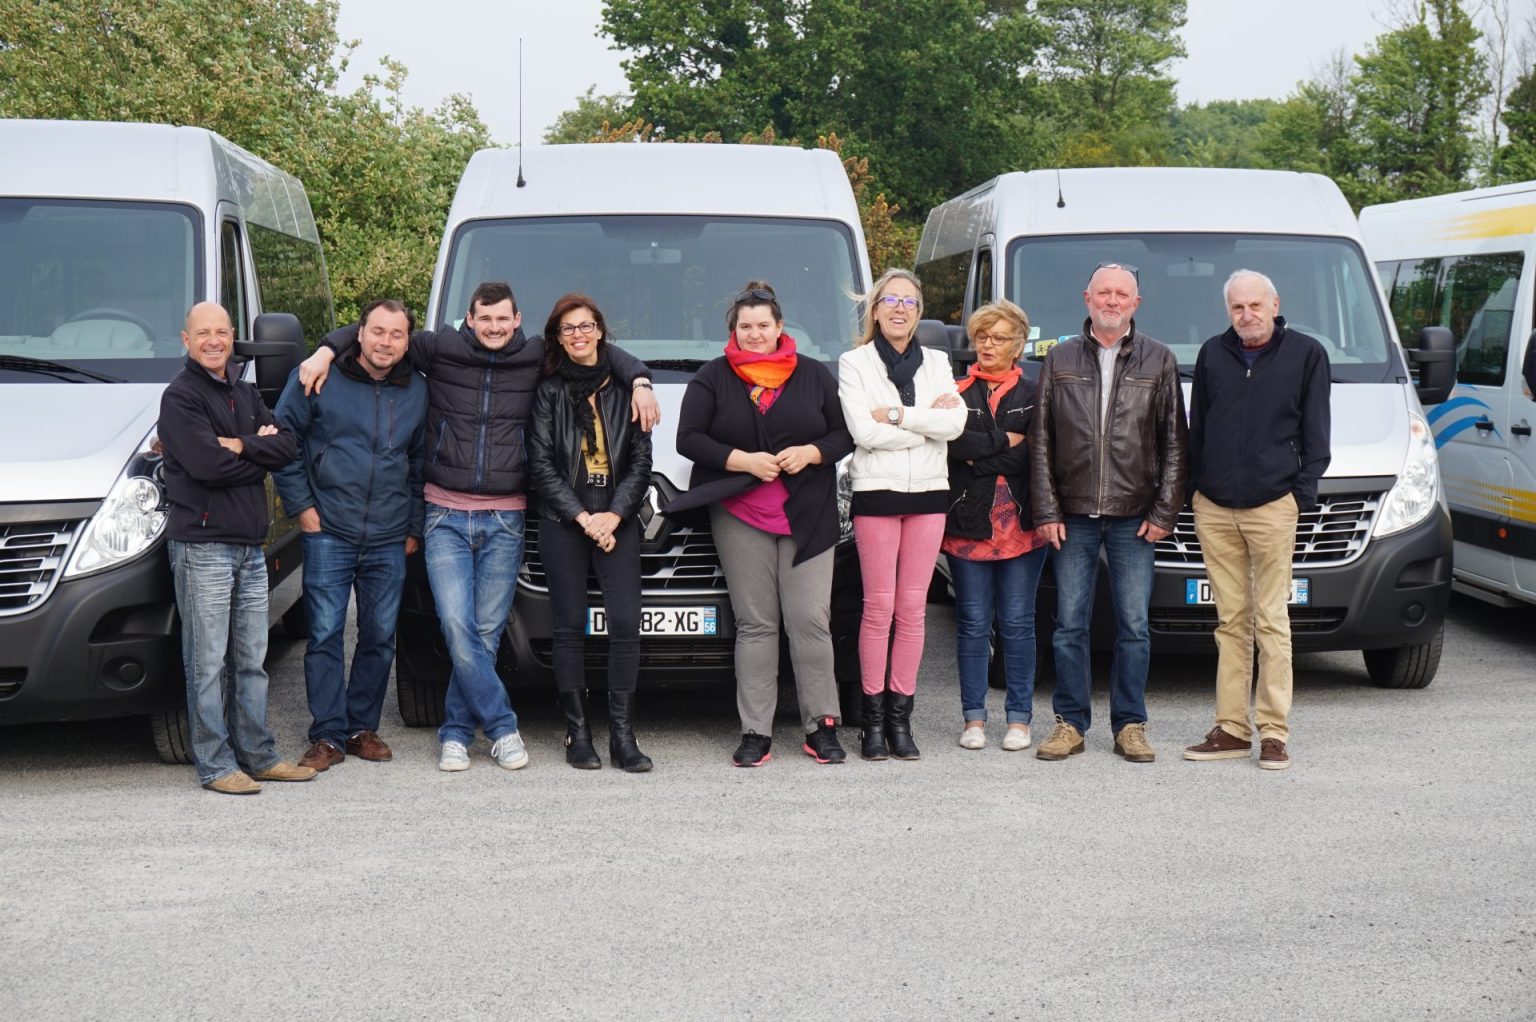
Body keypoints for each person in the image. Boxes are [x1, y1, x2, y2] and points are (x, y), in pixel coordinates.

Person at [297, 282, 659, 773]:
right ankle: (503, 724)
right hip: (445, 512)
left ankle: (455, 732)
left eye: (502, 319)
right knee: (455, 624)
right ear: (469, 319)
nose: (493, 327)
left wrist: (639, 378)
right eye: (483, 319)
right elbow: (378, 333)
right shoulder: (440, 347)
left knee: (485, 631)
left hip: (505, 515)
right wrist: (324, 350)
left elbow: (593, 350)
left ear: (517, 320)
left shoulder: (535, 354)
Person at [670, 281, 855, 767]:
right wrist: (741, 461)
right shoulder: (712, 378)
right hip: (740, 514)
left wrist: (812, 451)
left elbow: (843, 435)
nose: (754, 334)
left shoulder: (814, 375)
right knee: (756, 625)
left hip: (806, 514)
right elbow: (688, 438)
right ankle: (756, 732)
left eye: (763, 326)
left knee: (810, 621)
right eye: (745, 327)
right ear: (733, 330)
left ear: (780, 328)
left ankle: (822, 726)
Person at [1030, 263, 1187, 764]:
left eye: (1122, 294)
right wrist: (1047, 508)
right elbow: (1040, 443)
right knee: (1069, 624)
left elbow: (1174, 444)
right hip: (1072, 513)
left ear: (1136, 304)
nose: (1112, 300)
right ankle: (1070, 724)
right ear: (1087, 299)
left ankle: (1131, 725)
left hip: (1134, 515)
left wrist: (1165, 510)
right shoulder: (1059, 359)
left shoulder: (1159, 359)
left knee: (1134, 626)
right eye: (1104, 292)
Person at [158, 302, 315, 794]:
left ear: (232, 338)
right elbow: (208, 467)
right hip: (203, 547)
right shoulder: (180, 398)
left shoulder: (245, 393)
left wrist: (241, 445)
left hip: (249, 547)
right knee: (207, 662)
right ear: (186, 339)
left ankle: (260, 754)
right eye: (202, 333)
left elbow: (288, 444)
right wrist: (254, 449)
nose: (213, 341)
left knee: (251, 659)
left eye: (221, 332)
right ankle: (215, 764)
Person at [1183, 270, 1331, 771]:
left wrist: (1298, 496)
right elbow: (1196, 427)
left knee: (1271, 620)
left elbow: (1317, 434)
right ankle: (1229, 729)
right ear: (1228, 311)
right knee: (1230, 622)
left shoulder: (1306, 354)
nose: (1246, 315)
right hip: (1215, 506)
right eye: (1237, 307)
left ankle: (1273, 733)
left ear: (1275, 304)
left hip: (1273, 505)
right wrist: (1193, 492)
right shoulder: (1211, 354)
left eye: (1255, 306)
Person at [273, 299, 428, 772]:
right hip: (329, 531)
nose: (385, 342)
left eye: (396, 335)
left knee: (380, 634)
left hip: (388, 536)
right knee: (324, 633)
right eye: (377, 331)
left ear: (408, 341)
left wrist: (413, 525)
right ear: (358, 333)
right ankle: (327, 735)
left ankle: (362, 728)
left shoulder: (419, 389)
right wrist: (302, 506)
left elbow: (421, 462)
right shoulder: (319, 377)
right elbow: (283, 440)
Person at [839, 269, 966, 761]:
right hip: (877, 493)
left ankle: (900, 720)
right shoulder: (854, 363)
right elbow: (861, 434)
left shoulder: (937, 361)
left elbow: (954, 424)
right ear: (874, 310)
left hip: (929, 495)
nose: (899, 308)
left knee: (913, 611)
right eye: (889, 300)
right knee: (879, 608)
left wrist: (894, 415)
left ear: (919, 311)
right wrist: (926, 425)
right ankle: (871, 722)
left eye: (909, 301)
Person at [528, 294, 655, 772]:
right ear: (558, 338)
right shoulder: (549, 391)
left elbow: (641, 461)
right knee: (568, 627)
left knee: (625, 627)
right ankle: (578, 734)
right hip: (566, 521)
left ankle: (623, 736)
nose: (579, 335)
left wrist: (615, 516)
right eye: (568, 329)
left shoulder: (627, 388)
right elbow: (540, 465)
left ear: (600, 330)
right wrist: (584, 518)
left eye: (586, 326)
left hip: (616, 521)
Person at [942, 300, 1048, 752]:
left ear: (1019, 344)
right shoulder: (953, 391)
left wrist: (980, 454)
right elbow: (950, 445)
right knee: (971, 623)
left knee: (1019, 624)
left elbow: (1038, 452)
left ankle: (1020, 720)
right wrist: (1004, 443)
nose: (988, 344)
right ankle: (974, 719)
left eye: (999, 337)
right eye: (982, 336)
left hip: (1023, 526)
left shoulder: (1037, 392)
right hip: (967, 523)